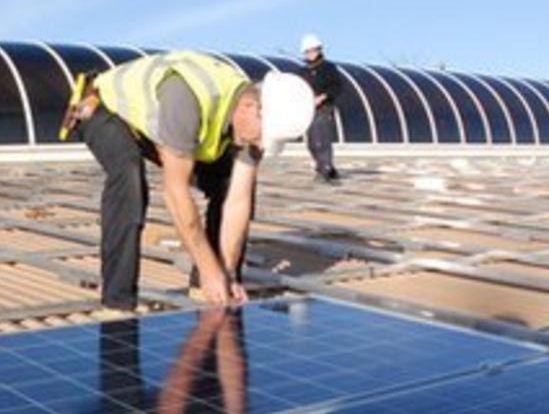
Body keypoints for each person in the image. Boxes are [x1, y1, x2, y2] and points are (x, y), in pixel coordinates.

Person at [63, 51, 313, 310]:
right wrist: (208, 267)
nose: (261, 144)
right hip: (105, 107)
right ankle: (117, 301)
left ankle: (212, 286)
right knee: (128, 175)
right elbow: (175, 193)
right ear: (251, 108)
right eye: (264, 136)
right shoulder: (187, 97)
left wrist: (224, 271)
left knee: (228, 182)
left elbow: (238, 201)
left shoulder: (246, 112)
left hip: (163, 126)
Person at [300, 33, 343, 183]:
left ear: (319, 50)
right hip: (307, 109)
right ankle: (327, 168)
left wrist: (322, 97)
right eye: (307, 51)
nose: (310, 54)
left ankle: (325, 169)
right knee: (312, 143)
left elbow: (337, 86)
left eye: (313, 50)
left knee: (322, 140)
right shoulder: (303, 71)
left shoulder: (328, 68)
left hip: (323, 108)